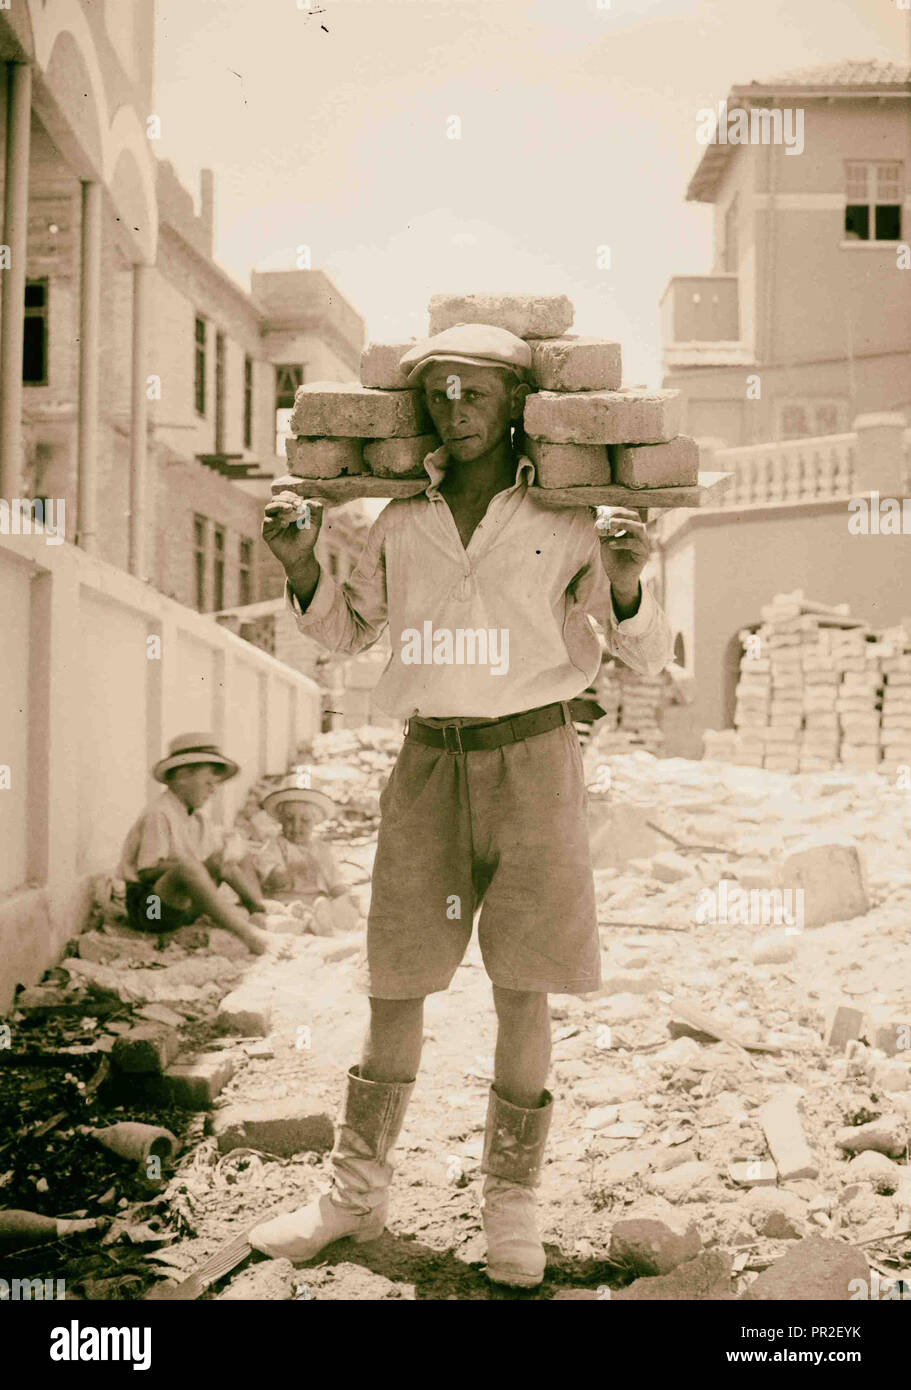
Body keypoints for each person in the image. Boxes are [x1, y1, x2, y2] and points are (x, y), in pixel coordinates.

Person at [254, 323, 674, 1286]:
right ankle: (353, 1198)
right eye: (439, 392)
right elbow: (348, 633)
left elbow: (645, 658)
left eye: (475, 391)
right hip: (426, 768)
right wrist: (301, 561)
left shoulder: (573, 518)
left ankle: (510, 1209)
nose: (455, 407)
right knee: (394, 981)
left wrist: (625, 579)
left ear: (516, 402)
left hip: (535, 764)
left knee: (521, 988)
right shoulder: (401, 520)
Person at [117, 733, 273, 956]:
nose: (213, 790)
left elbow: (215, 864)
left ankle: (257, 908)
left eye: (215, 784)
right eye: (208, 782)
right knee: (189, 867)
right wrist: (194, 867)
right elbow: (146, 872)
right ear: (181, 777)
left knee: (222, 858)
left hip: (182, 911)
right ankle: (247, 935)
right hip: (150, 911)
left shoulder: (198, 819)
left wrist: (216, 861)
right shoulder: (159, 814)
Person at [244, 774, 359, 936]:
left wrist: (346, 898)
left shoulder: (321, 849)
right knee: (276, 917)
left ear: (315, 821)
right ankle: (307, 925)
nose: (296, 826)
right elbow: (271, 879)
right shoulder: (275, 846)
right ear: (280, 820)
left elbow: (335, 884)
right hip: (285, 902)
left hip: (317, 903)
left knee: (340, 907)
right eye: (289, 819)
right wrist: (290, 870)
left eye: (305, 820)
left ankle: (322, 923)